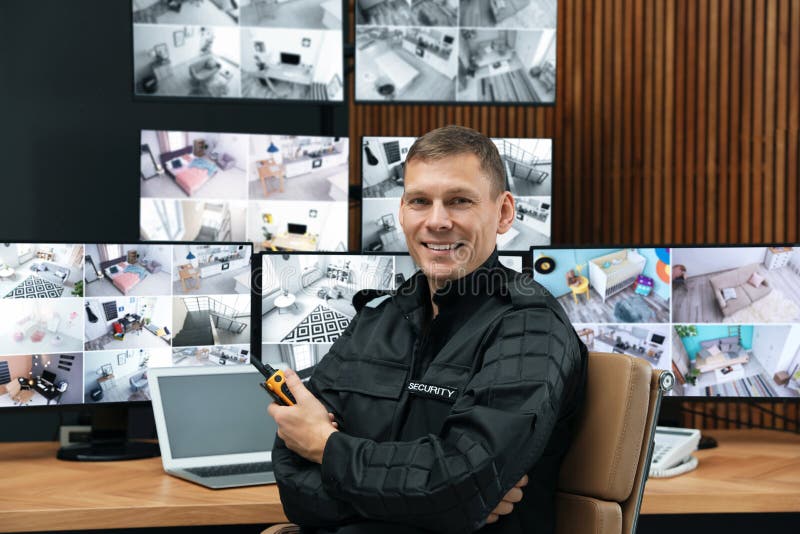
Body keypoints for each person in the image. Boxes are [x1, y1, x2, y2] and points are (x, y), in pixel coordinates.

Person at [269, 125, 588, 533]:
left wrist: (326, 449)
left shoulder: (531, 326)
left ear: (504, 212)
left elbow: (456, 485)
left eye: (459, 201)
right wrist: (427, 502)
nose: (437, 221)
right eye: (420, 201)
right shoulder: (377, 317)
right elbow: (292, 477)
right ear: (402, 211)